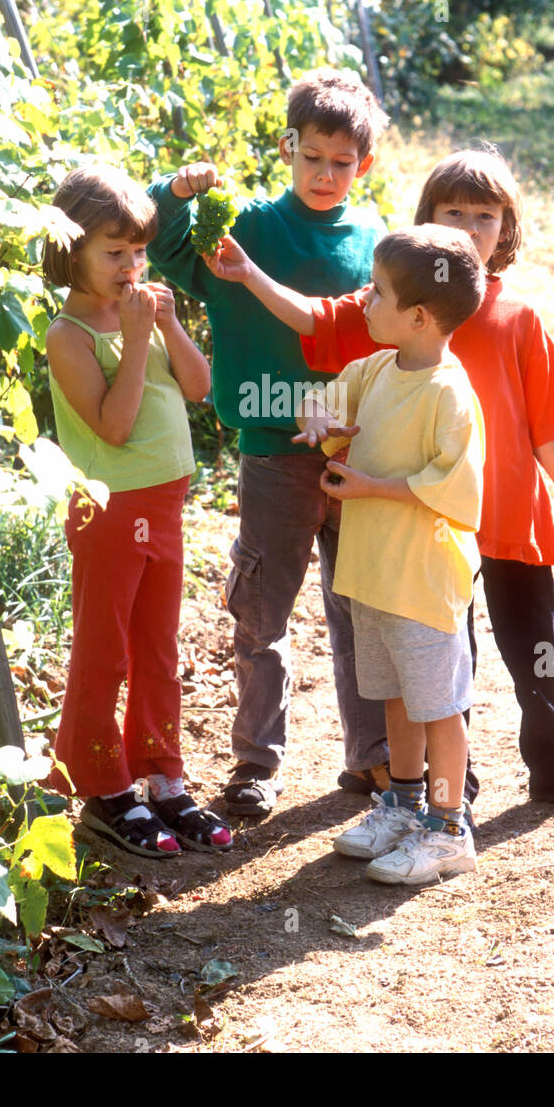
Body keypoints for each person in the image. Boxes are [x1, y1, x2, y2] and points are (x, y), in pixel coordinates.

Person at [204, 146, 554, 806]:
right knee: (444, 653)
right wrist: (250, 275)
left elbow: (546, 421)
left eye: (484, 215)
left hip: (508, 508)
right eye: (451, 212)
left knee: (534, 645)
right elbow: (321, 320)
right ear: (426, 219)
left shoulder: (518, 318)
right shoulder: (399, 312)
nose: (468, 226)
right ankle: (451, 777)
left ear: (506, 227)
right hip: (430, 514)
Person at [145, 69, 391, 816]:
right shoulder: (247, 227)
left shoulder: (376, 242)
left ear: (364, 166)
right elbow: (167, 249)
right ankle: (256, 765)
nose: (325, 174)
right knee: (262, 614)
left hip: (359, 453)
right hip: (274, 449)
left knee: (364, 608)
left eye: (341, 161)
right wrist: (176, 191)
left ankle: (375, 758)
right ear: (289, 149)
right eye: (312, 156)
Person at [43, 164, 232, 857]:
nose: (132, 267)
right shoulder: (70, 335)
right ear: (71, 252)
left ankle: (163, 777)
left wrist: (169, 324)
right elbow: (114, 428)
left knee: (156, 649)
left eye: (139, 251)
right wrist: (133, 337)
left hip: (166, 499)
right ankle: (104, 789)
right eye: (113, 253)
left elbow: (200, 384)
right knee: (106, 652)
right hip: (112, 509)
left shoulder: (144, 315)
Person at [293, 227, 485, 884]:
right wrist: (319, 421)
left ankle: (448, 827)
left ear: (420, 317)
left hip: (424, 581)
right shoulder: (373, 370)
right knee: (398, 700)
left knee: (438, 707)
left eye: (377, 292)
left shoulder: (449, 394)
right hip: (375, 575)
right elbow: (323, 402)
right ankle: (402, 806)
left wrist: (372, 486)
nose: (364, 299)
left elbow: (457, 491)